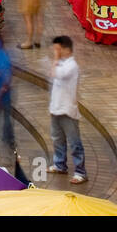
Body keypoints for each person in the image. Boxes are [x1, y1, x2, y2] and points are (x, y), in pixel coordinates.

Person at [48, 36, 87, 185]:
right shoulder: (61, 63)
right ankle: (60, 165)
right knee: (57, 140)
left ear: (66, 49)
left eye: (57, 49)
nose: (55, 52)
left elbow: (57, 74)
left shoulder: (72, 66)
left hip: (67, 110)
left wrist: (55, 59)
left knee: (74, 142)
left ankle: (81, 172)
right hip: (56, 108)